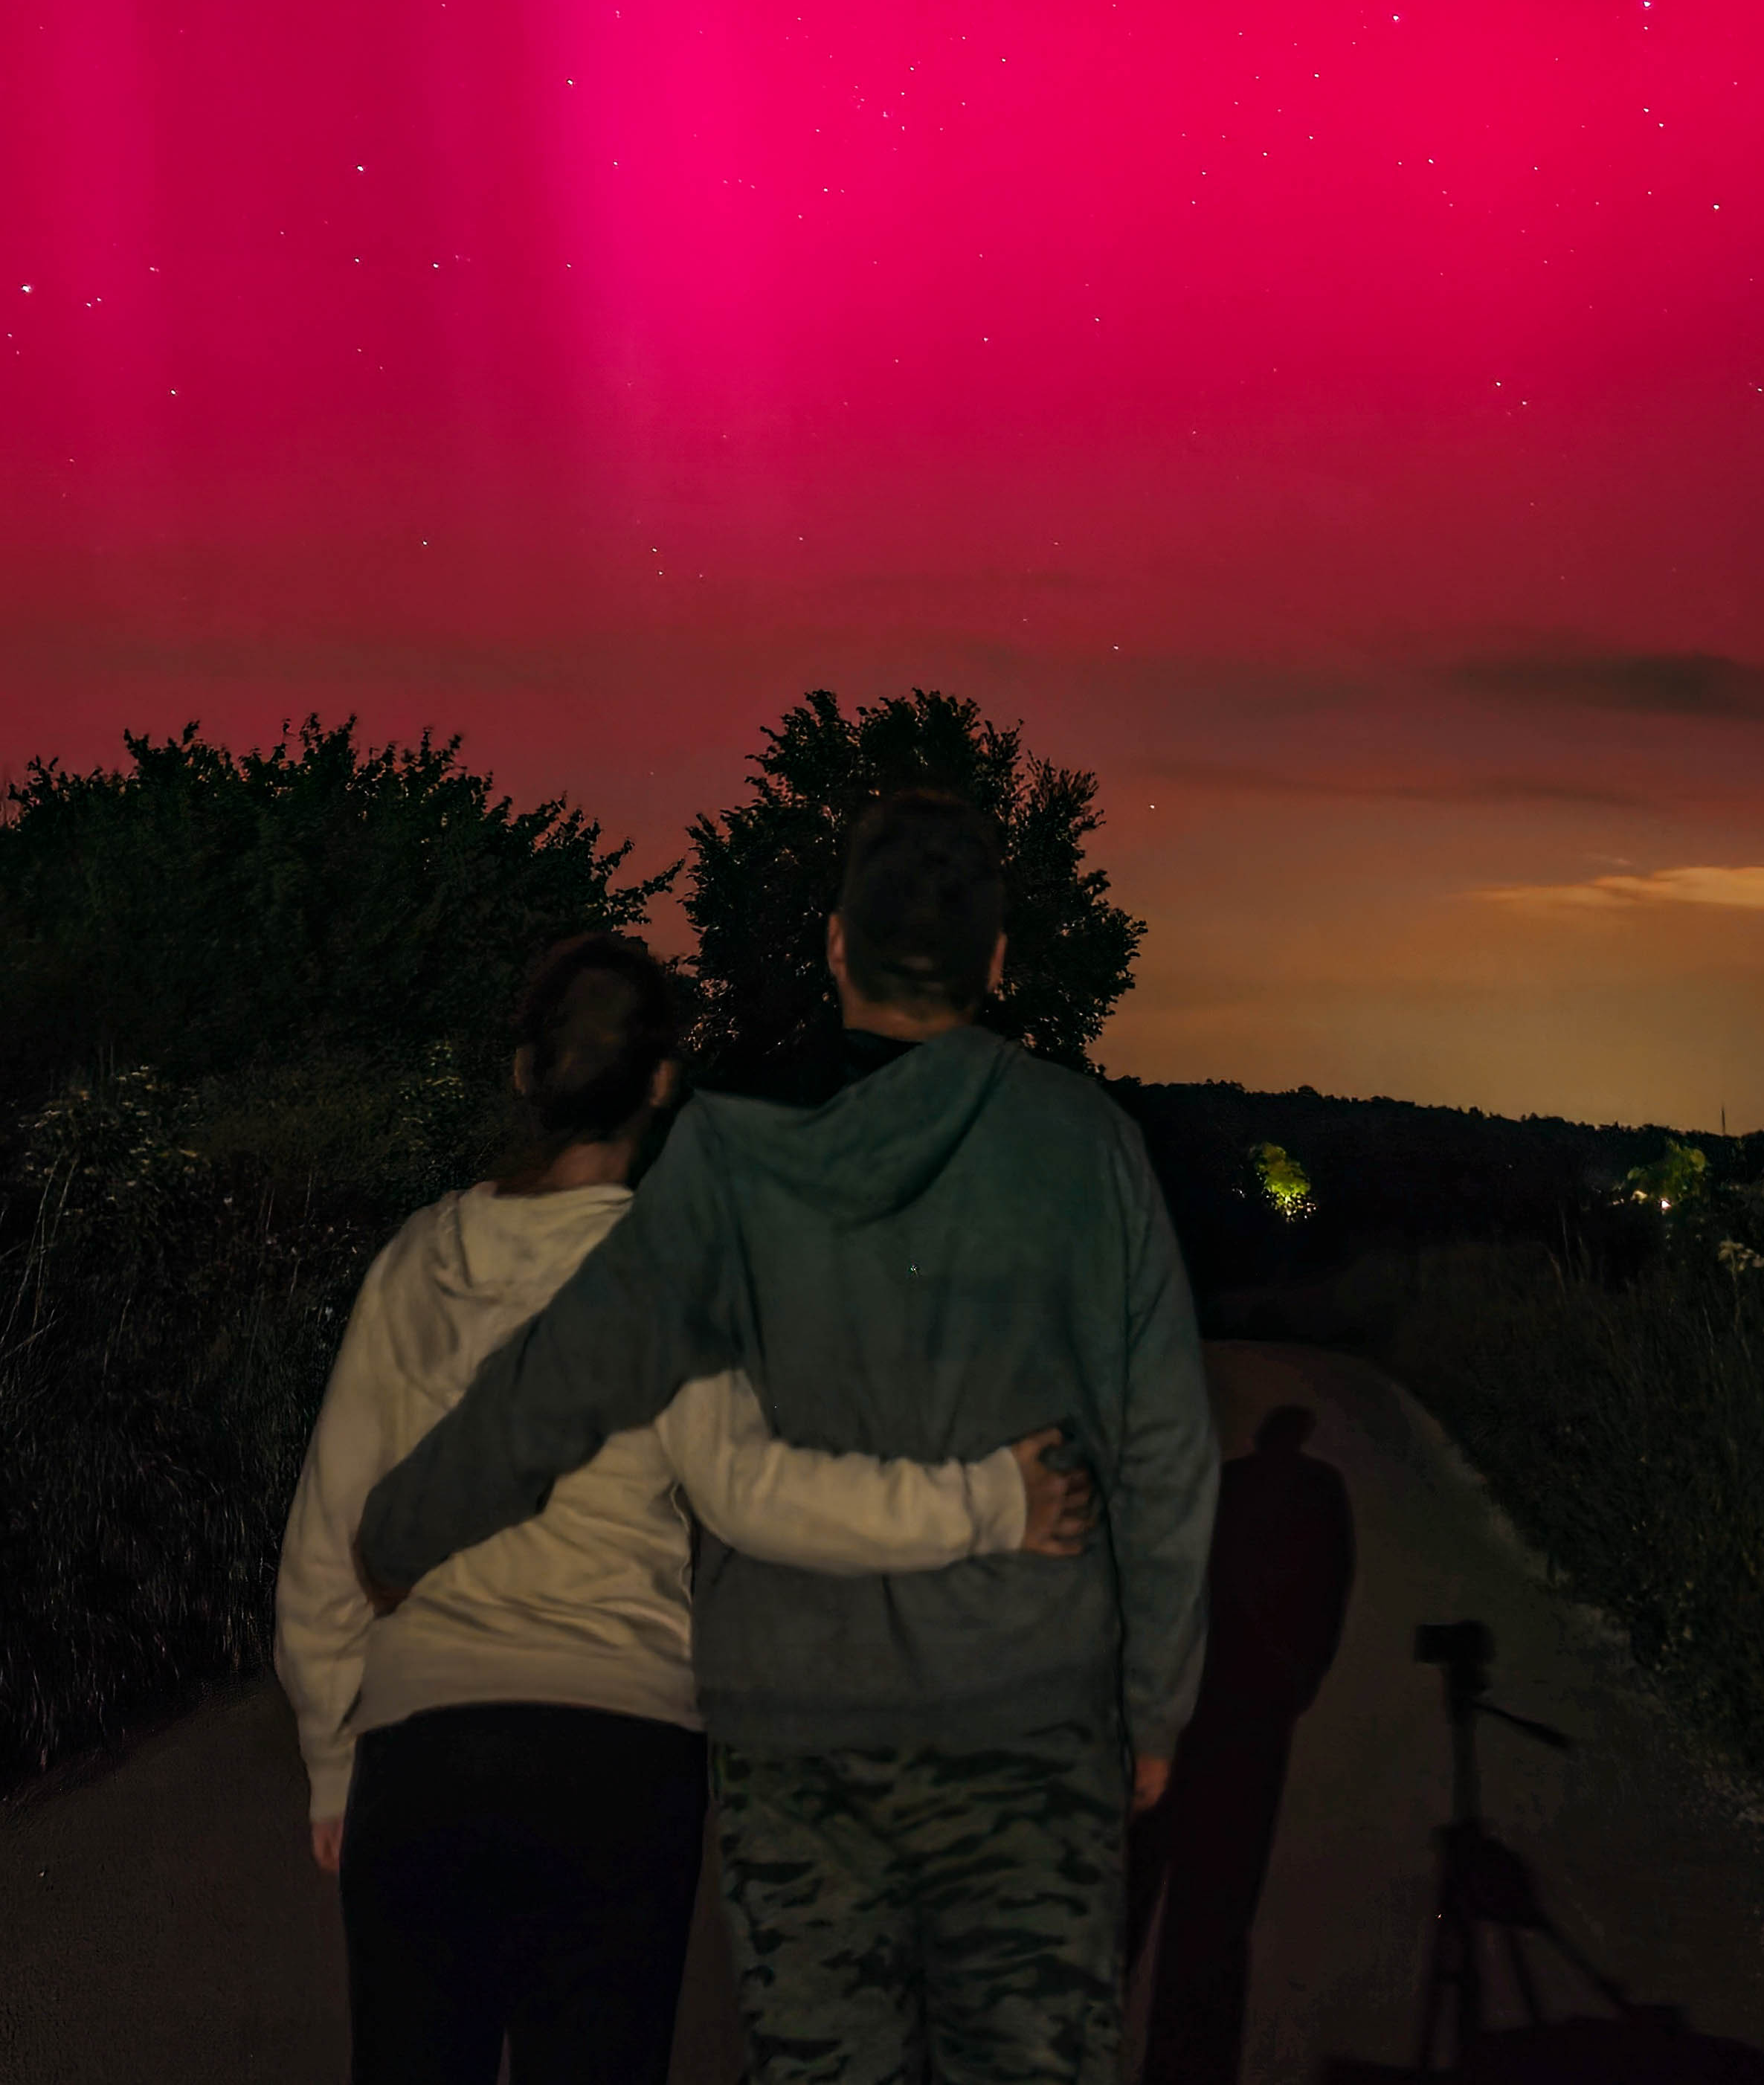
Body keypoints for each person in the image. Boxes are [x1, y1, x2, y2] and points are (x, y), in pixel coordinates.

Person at [360, 791, 1220, 2085]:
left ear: (833, 947)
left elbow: (572, 1375)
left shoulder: (729, 1156)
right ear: (998, 963)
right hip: (1031, 1718)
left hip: (800, 1733)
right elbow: (1166, 1449)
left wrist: (406, 1528)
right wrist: (1154, 1696)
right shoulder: (1089, 1148)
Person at [1121, 1402, 1355, 2085]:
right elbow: (1331, 1587)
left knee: (1151, 1863)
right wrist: (1303, 1675)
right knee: (1218, 1891)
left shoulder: (1228, 1480)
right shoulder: (1320, 1489)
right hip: (1255, 1694)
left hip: (1203, 1688)